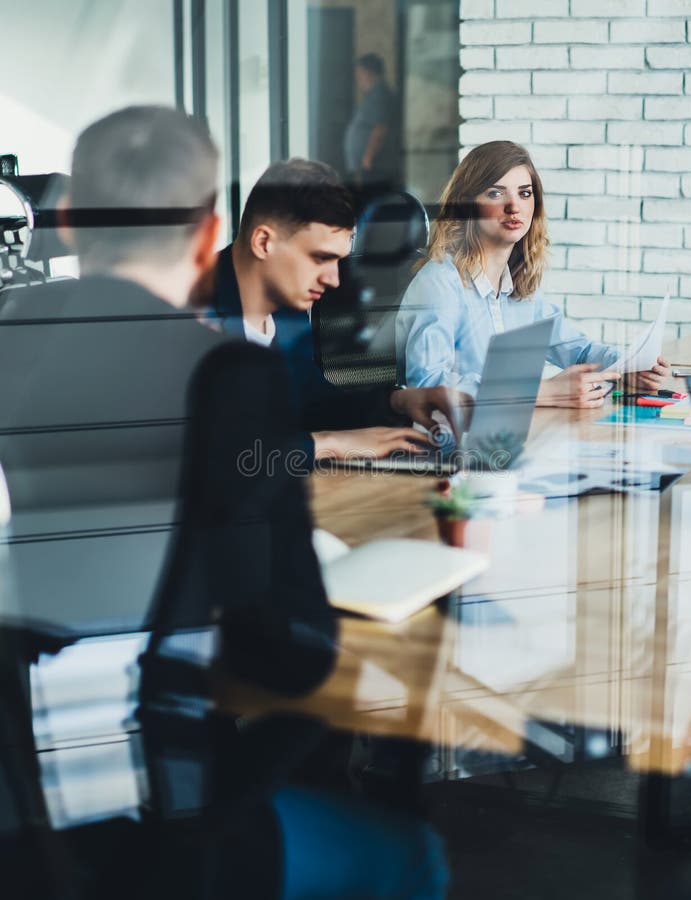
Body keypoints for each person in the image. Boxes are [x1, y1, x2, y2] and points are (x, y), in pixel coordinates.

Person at [0, 106, 448, 899]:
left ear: (65, 220)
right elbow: (289, 653)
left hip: (27, 781)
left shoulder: (15, 329)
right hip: (160, 806)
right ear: (212, 231)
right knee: (410, 852)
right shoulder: (222, 373)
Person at [207, 157, 466, 462]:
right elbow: (218, 448)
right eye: (320, 258)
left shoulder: (285, 311)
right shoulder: (187, 314)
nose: (334, 280)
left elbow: (316, 402)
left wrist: (398, 401)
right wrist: (327, 444)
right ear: (264, 242)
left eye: (337, 260)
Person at [396, 140, 669, 409]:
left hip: (504, 438)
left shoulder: (518, 285)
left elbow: (579, 351)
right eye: (495, 193)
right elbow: (427, 386)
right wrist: (539, 392)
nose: (513, 207)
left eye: (525, 193)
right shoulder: (440, 282)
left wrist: (629, 367)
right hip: (449, 447)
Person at [343, 53, 400, 191]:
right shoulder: (373, 96)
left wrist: (367, 159)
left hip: (375, 167)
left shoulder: (379, 95)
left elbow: (380, 127)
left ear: (368, 73)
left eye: (359, 74)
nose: (357, 79)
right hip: (370, 168)